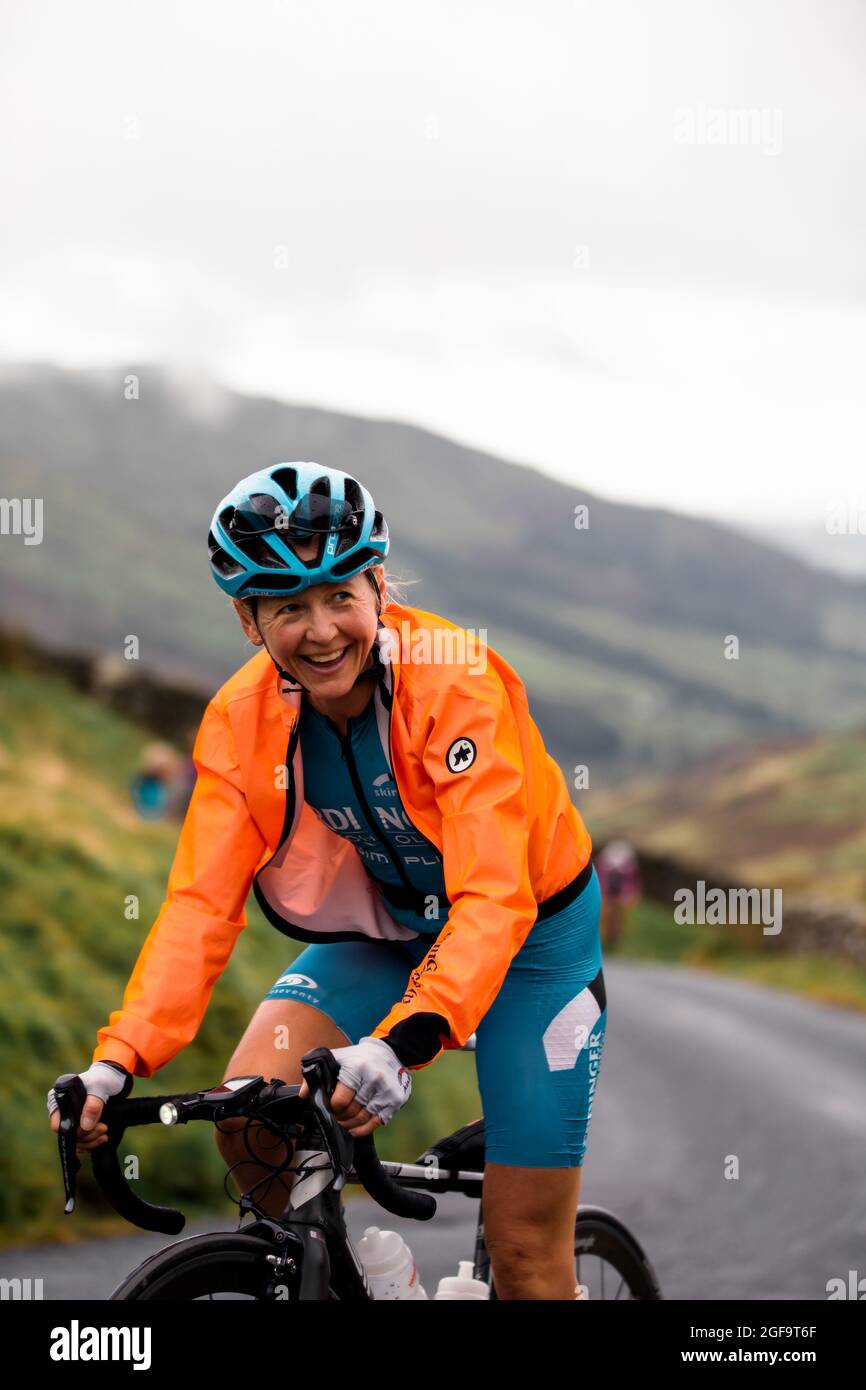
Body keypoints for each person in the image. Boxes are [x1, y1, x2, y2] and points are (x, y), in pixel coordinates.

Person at [48, 462, 607, 1301]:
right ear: (248, 620)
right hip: (392, 929)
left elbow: (495, 896)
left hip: (533, 943)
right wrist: (115, 1064)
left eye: (340, 596)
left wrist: (400, 1043)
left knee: (526, 1249)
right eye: (287, 607)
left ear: (379, 586)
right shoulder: (242, 722)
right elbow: (200, 903)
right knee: (250, 1114)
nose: (320, 631)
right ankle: (358, 1279)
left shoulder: (456, 682)